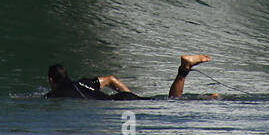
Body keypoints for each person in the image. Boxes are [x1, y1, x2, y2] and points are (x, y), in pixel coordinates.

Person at [45, 55, 216, 99]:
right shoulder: (83, 82)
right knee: (166, 101)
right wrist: (130, 96)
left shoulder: (53, 95)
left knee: (173, 102)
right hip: (122, 97)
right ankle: (208, 98)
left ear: (52, 80)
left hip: (121, 102)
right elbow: (111, 79)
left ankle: (184, 70)